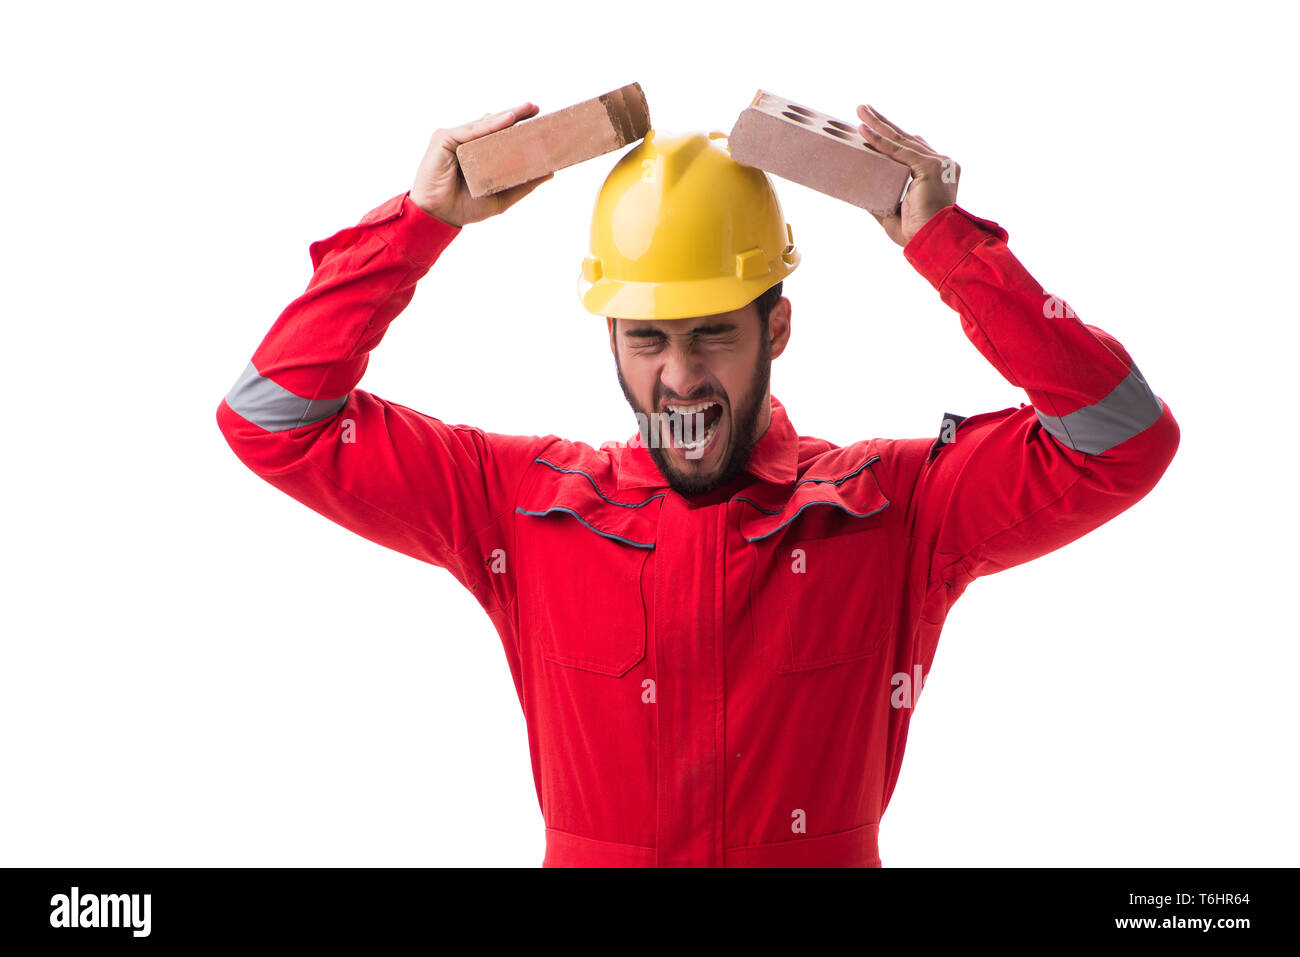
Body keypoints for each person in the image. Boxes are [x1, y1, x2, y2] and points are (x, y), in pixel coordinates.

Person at [216, 100, 1179, 867]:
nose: (679, 377)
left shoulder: (895, 510)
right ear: (611, 340)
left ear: (779, 329)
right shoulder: (519, 506)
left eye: (714, 331)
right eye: (649, 338)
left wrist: (948, 247)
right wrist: (418, 225)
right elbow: (272, 420)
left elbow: (1120, 437)